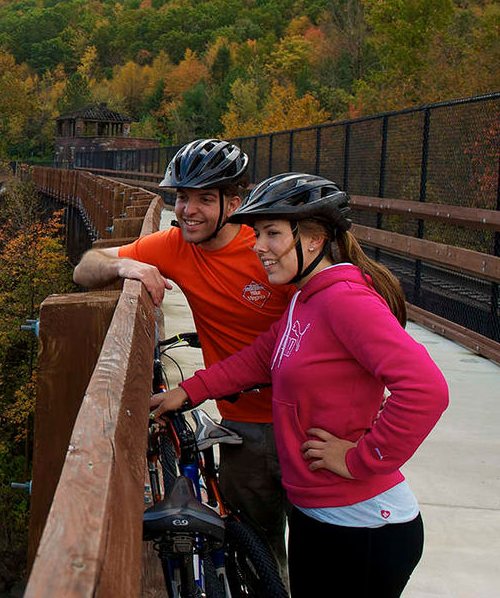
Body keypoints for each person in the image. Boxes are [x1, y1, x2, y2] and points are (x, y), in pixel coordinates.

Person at [151, 173, 449, 598]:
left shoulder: (346, 300)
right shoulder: (305, 298)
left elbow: (426, 390)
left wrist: (362, 458)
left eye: (272, 234)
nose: (258, 247)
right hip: (321, 513)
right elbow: (259, 358)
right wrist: (188, 391)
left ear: (313, 240)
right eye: (258, 234)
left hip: (361, 522)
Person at [73, 138, 292, 575]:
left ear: (234, 202)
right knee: (263, 555)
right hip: (244, 423)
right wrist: (126, 267)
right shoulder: (174, 245)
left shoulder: (269, 248)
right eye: (181, 197)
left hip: (306, 418)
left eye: (204, 199)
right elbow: (84, 268)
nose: (188, 210)